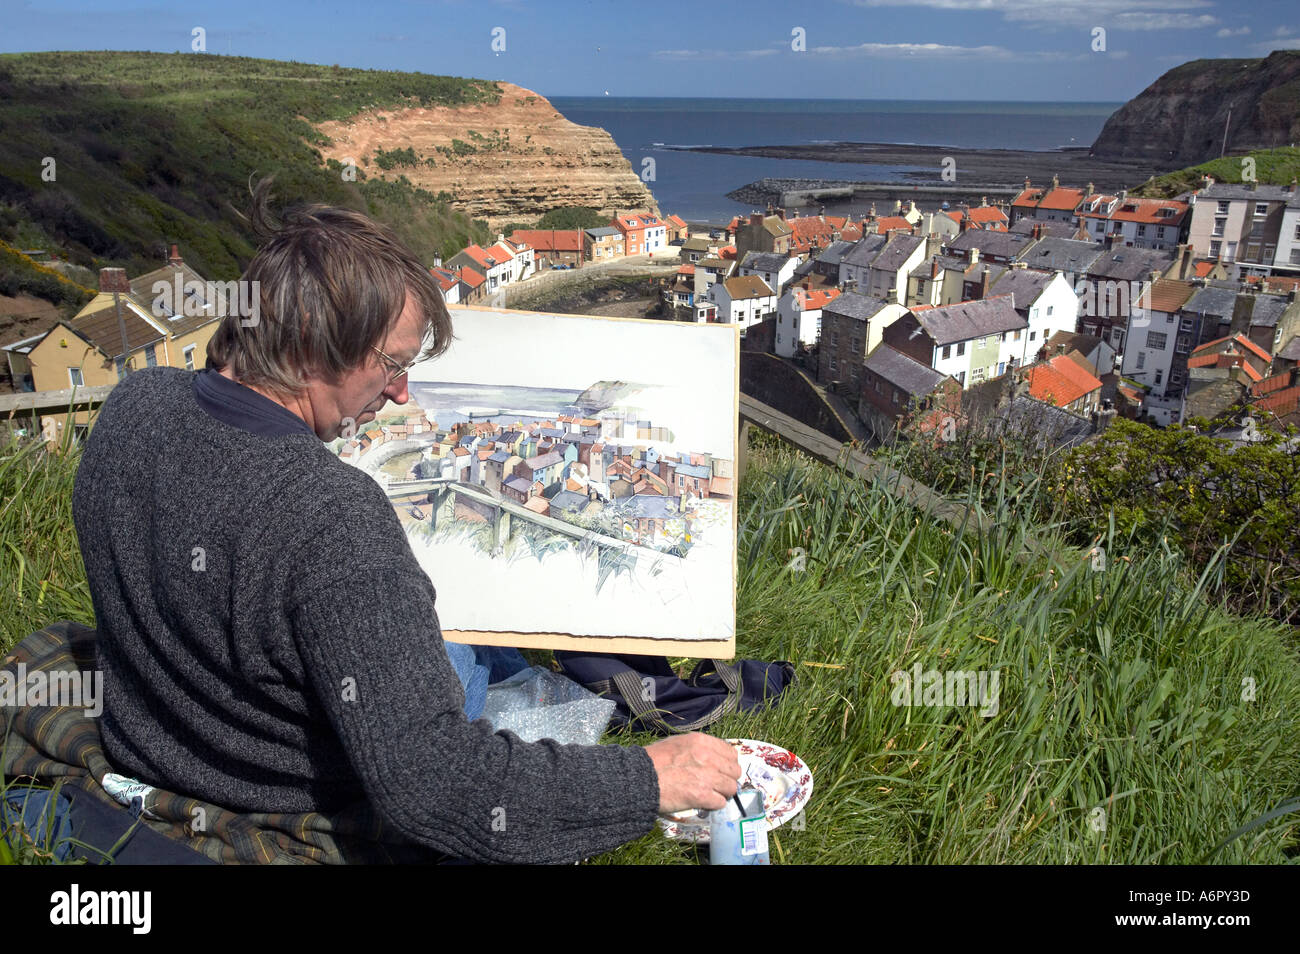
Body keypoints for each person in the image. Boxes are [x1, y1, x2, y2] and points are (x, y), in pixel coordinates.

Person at [70, 181, 740, 863]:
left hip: (152, 739)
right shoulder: (332, 518)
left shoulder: (134, 406)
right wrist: (649, 778)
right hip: (266, 786)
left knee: (464, 639)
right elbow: (439, 786)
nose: (400, 391)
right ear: (308, 345)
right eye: (392, 365)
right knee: (466, 657)